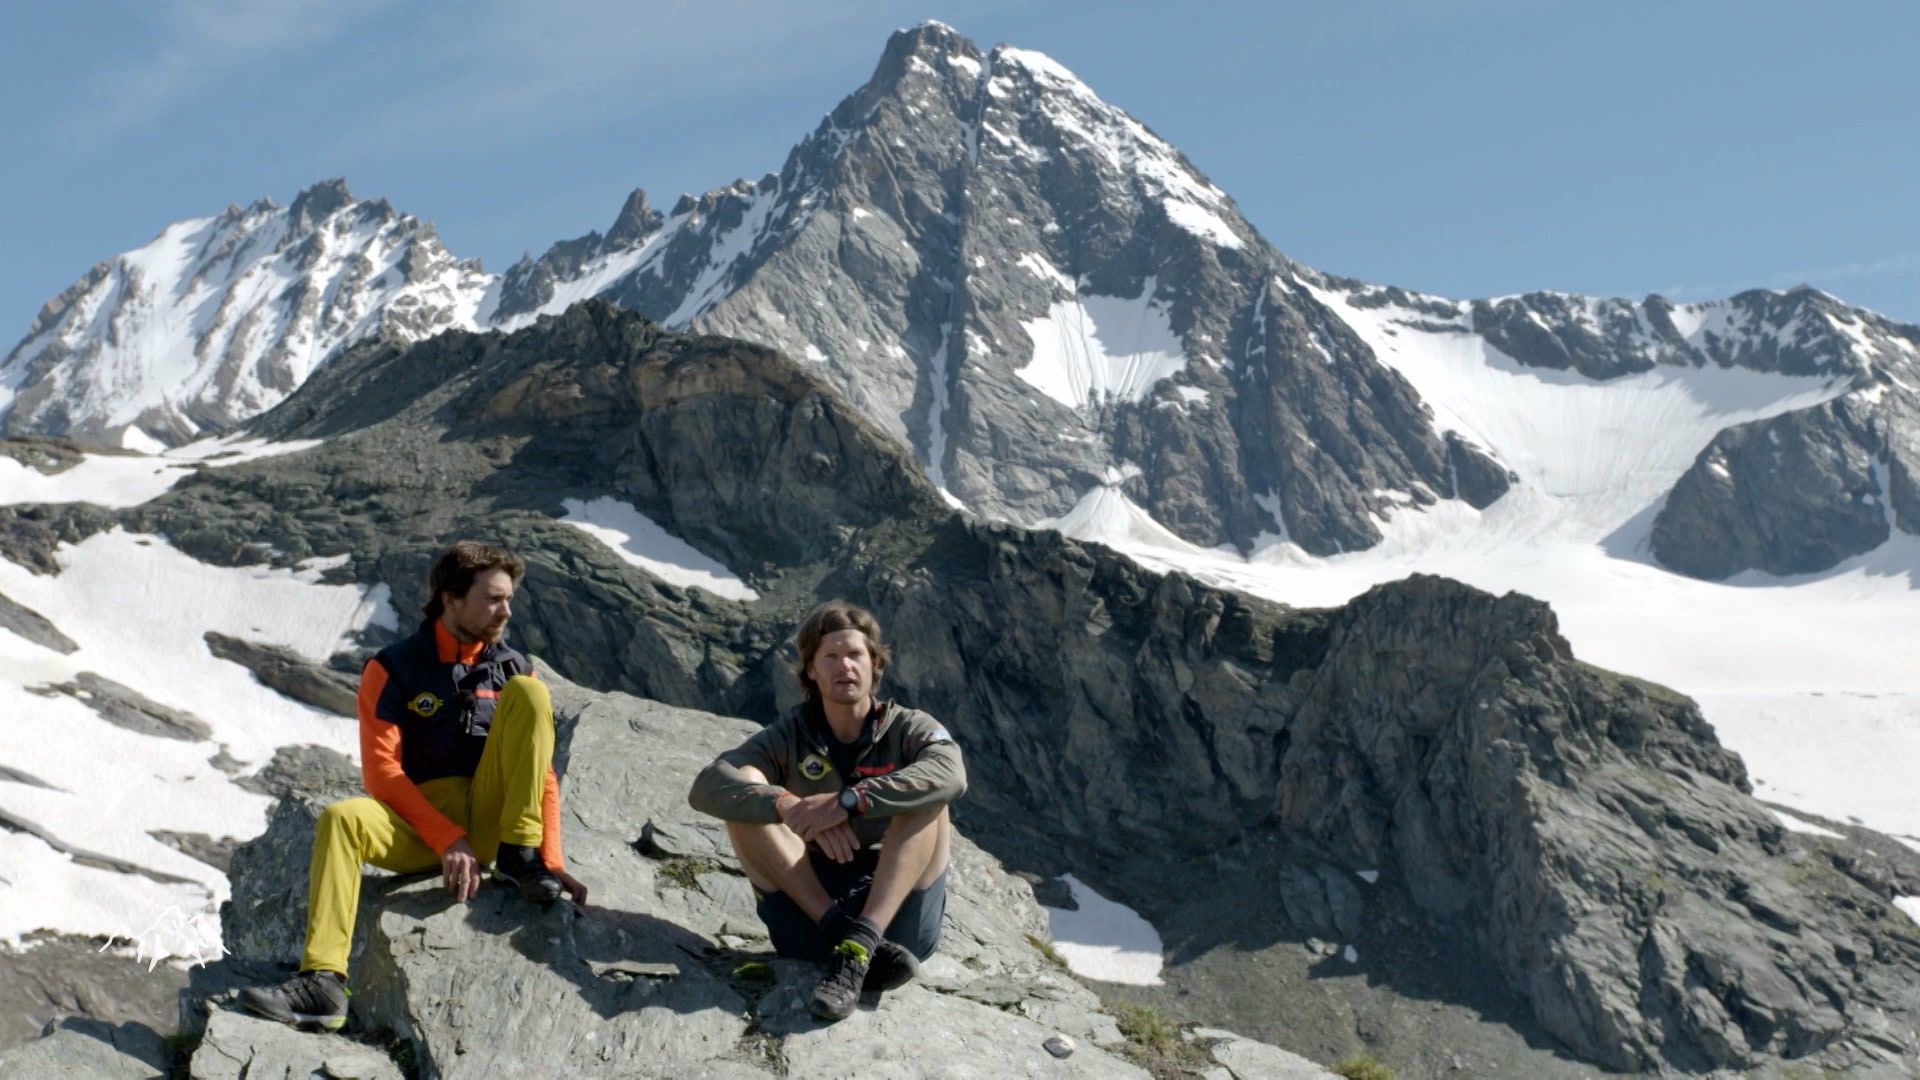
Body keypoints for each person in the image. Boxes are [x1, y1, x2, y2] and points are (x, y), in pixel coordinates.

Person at [239, 541, 587, 1030]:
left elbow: (542, 773)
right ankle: (323, 982)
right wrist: (448, 837)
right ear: (450, 598)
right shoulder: (394, 667)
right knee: (342, 819)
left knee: (531, 693)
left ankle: (520, 855)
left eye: (508, 599)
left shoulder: (515, 669)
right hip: (420, 827)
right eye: (492, 599)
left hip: (495, 821)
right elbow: (382, 772)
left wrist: (550, 858)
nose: (505, 611)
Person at [688, 600, 965, 1022]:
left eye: (855, 654)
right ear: (811, 671)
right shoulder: (789, 735)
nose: (845, 666)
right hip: (814, 919)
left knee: (929, 795)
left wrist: (847, 802)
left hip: (896, 919)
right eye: (830, 656)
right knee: (746, 787)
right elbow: (708, 785)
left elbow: (951, 774)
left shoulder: (909, 726)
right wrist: (790, 807)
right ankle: (848, 943)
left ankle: (861, 942)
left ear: (875, 664)